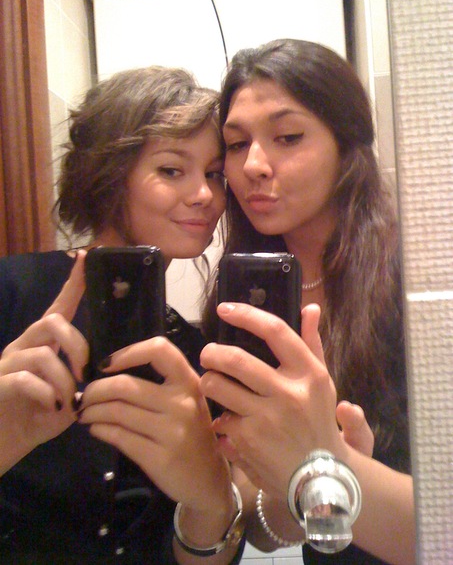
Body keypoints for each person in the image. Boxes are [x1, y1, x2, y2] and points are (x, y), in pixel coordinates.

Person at [0, 66, 243, 565]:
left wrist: (212, 499)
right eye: (172, 170)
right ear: (109, 173)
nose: (205, 194)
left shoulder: (196, 355)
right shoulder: (13, 291)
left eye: (214, 174)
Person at [199, 39, 415, 565]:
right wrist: (294, 486)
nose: (253, 164)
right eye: (235, 144)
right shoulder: (243, 298)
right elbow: (261, 528)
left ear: (347, 143)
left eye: (288, 137)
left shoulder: (418, 278)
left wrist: (333, 466)